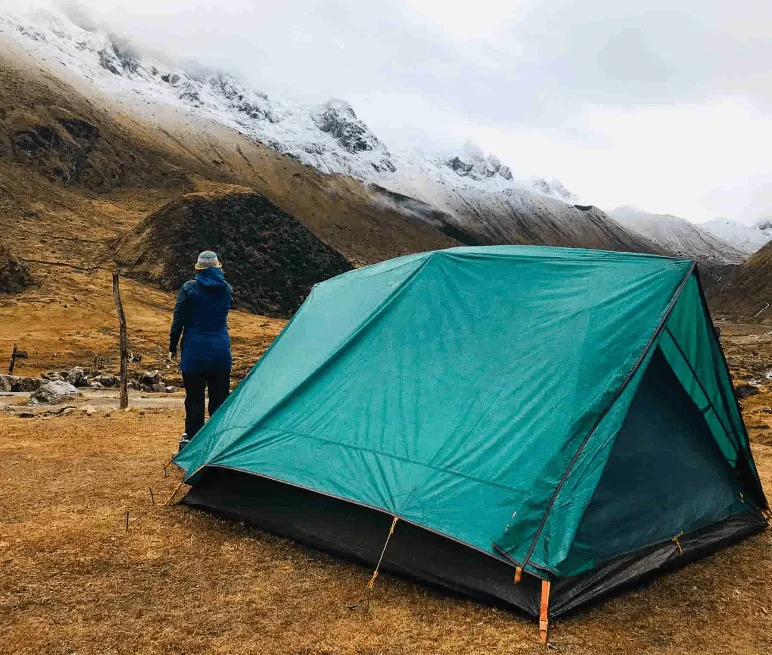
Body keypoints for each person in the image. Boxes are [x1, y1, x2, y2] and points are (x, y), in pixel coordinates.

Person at [169, 251, 233, 450]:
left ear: (198, 268)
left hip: (193, 354)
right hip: (220, 352)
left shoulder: (189, 289)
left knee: (195, 400)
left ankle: (193, 445)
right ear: (217, 268)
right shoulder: (227, 289)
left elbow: (178, 320)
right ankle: (218, 447)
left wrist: (172, 347)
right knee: (220, 401)